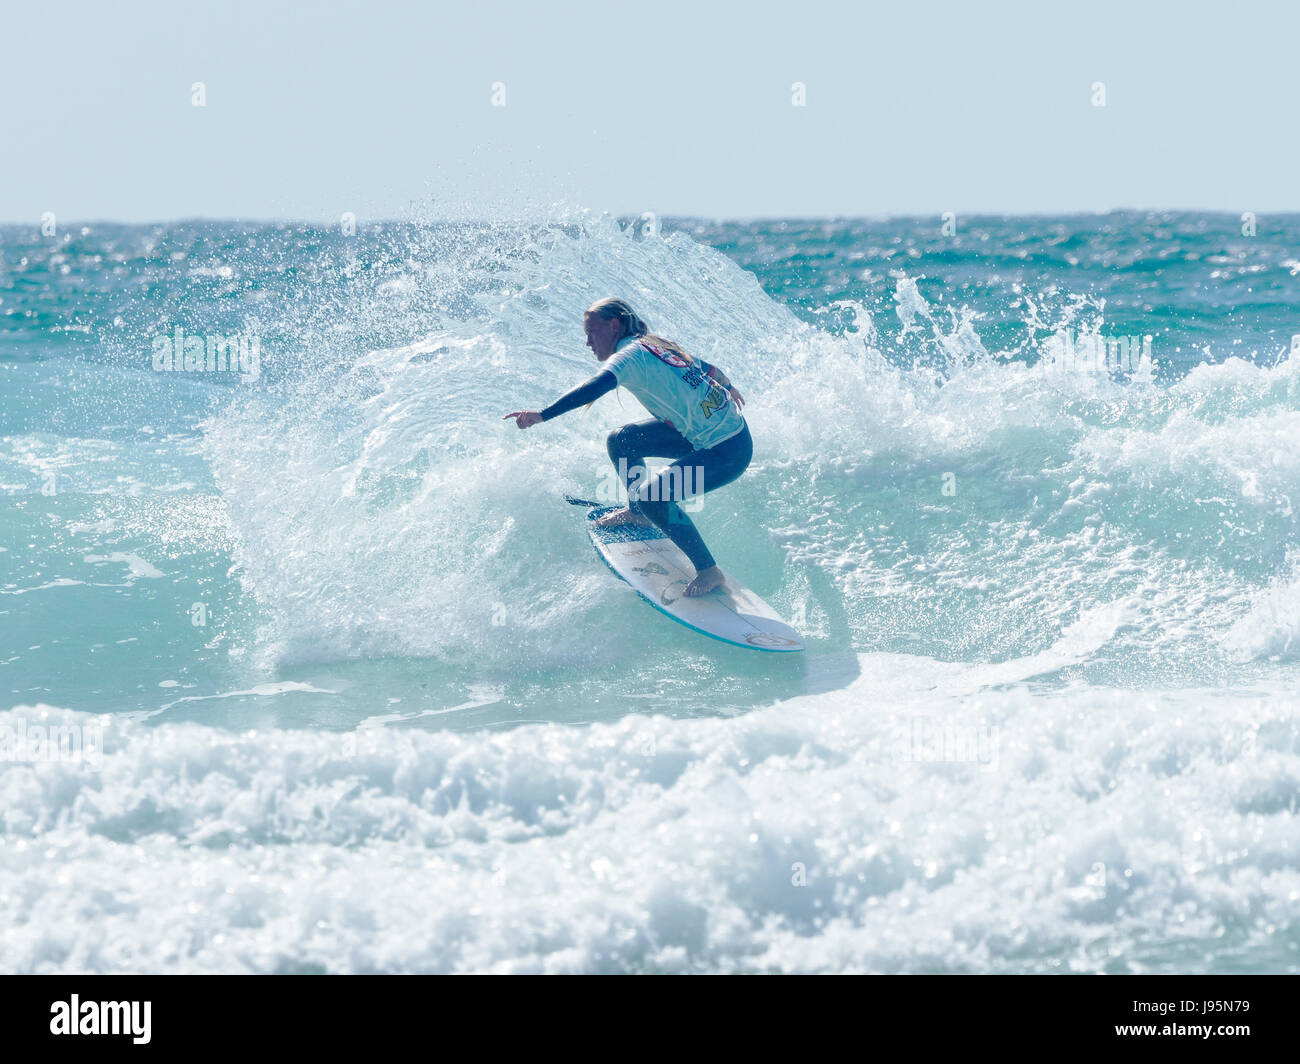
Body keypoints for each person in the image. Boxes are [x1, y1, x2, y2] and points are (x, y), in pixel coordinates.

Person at [504, 298, 751, 597]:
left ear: (614, 325)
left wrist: (542, 415)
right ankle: (638, 513)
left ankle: (708, 570)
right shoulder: (655, 344)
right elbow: (708, 368)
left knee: (654, 496)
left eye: (591, 332)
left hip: (727, 452)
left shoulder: (630, 356)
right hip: (706, 435)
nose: (587, 342)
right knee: (622, 439)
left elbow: (595, 386)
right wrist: (729, 386)